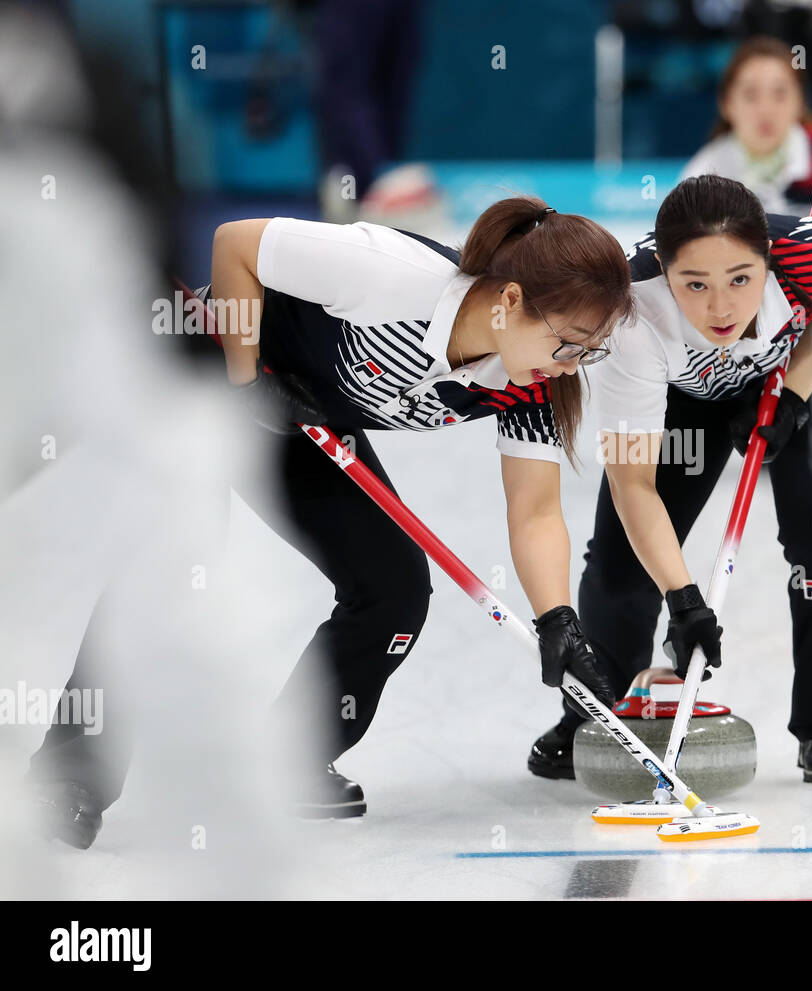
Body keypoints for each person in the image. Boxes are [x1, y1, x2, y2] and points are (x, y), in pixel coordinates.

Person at [29, 198, 632, 846]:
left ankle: (290, 756)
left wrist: (558, 624)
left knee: (393, 588)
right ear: (511, 300)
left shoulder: (531, 383)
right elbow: (237, 244)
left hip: (304, 419)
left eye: (590, 352)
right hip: (217, 373)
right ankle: (69, 776)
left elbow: (535, 509)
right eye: (568, 343)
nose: (571, 364)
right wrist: (244, 381)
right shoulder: (394, 277)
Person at [528, 174, 812, 784]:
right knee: (620, 562)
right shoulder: (626, 314)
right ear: (663, 268)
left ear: (768, 258)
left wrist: (790, 398)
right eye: (695, 284)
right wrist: (685, 603)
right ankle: (592, 716)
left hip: (799, 381)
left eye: (742, 279)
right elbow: (635, 484)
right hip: (686, 396)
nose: (722, 308)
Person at [681, 36, 812, 217]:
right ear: (727, 103)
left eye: (780, 94)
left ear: (800, 102)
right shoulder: (701, 178)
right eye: (751, 95)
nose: (766, 110)